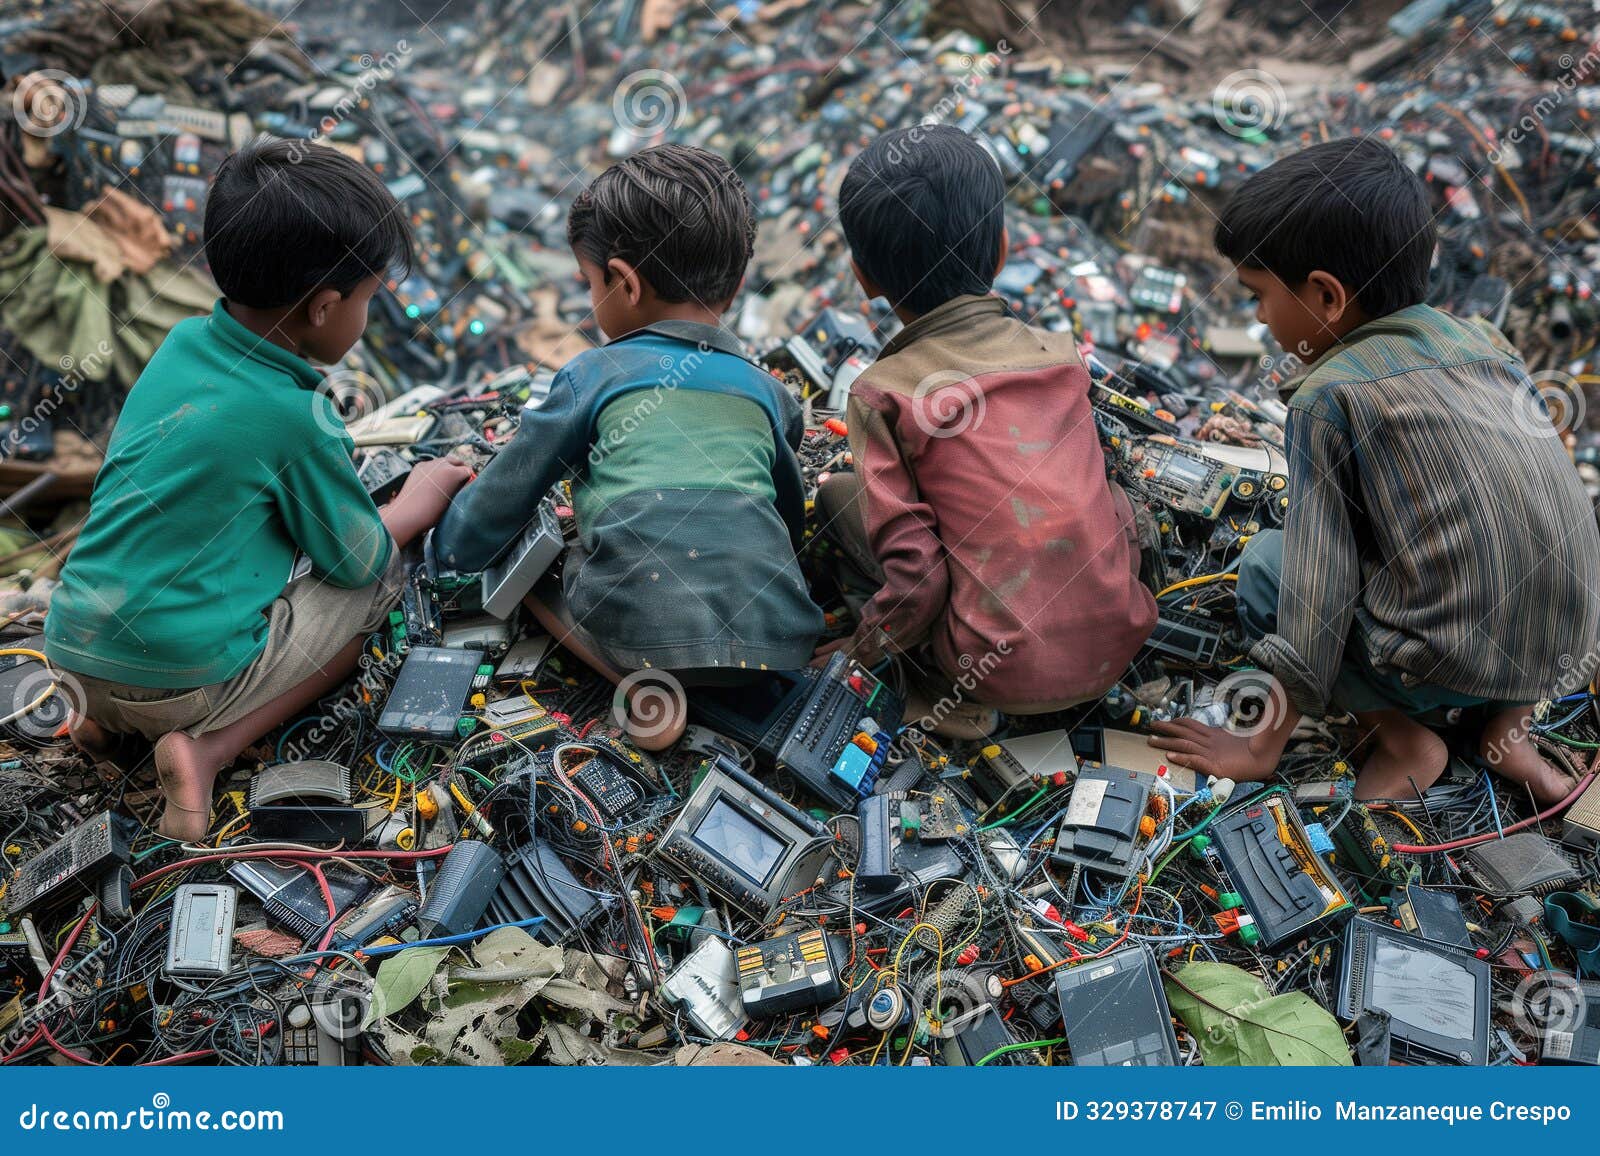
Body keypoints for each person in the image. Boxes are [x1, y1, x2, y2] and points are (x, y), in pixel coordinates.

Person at [1150, 135, 1600, 803]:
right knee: (1500, 543)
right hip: (1563, 646)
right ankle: (1509, 735)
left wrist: (1261, 742)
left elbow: (1316, 586)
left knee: (1269, 565)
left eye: (1257, 296)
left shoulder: (1328, 398)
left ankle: (1399, 736)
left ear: (1328, 298)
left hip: (1444, 664)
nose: (1256, 316)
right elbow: (1540, 496)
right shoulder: (1484, 342)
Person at [45, 138, 472, 840]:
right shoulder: (294, 415)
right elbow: (354, 560)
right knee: (379, 587)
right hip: (176, 688)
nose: (365, 317)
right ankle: (206, 752)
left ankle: (98, 725)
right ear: (324, 307)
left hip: (72, 654)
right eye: (366, 300)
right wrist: (414, 503)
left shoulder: (180, 344)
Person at [434, 144, 824, 747]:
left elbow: (477, 533)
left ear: (624, 282)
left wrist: (449, 528)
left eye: (592, 284)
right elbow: (786, 523)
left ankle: (644, 693)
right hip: (778, 645)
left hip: (638, 643)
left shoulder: (592, 375)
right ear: (740, 280)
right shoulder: (772, 394)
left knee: (536, 562)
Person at [820, 124, 1157, 737]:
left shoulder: (882, 391)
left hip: (985, 673)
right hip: (1117, 650)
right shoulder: (1060, 355)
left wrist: (858, 650)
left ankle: (924, 689)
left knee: (835, 492)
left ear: (863, 277)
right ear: (1002, 251)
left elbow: (917, 578)